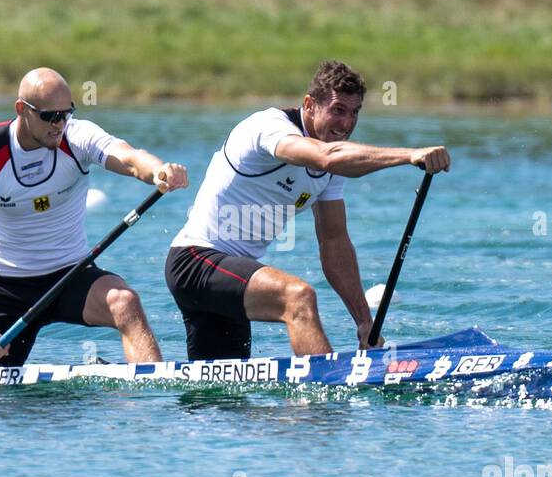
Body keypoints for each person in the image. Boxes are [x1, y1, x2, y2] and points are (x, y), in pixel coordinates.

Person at [165, 60, 449, 360]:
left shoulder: (333, 165)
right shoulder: (268, 128)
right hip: (194, 262)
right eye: (338, 110)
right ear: (310, 104)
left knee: (221, 397)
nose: (346, 124)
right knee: (297, 297)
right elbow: (326, 158)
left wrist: (365, 322)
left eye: (355, 113)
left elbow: (334, 243)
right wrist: (410, 155)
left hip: (231, 277)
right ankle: (327, 394)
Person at [0, 68, 188, 366]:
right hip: (8, 287)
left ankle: (150, 390)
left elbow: (129, 158)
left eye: (66, 113)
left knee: (125, 303)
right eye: (49, 116)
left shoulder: (76, 136)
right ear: (22, 110)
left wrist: (159, 171)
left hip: (72, 274)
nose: (59, 124)